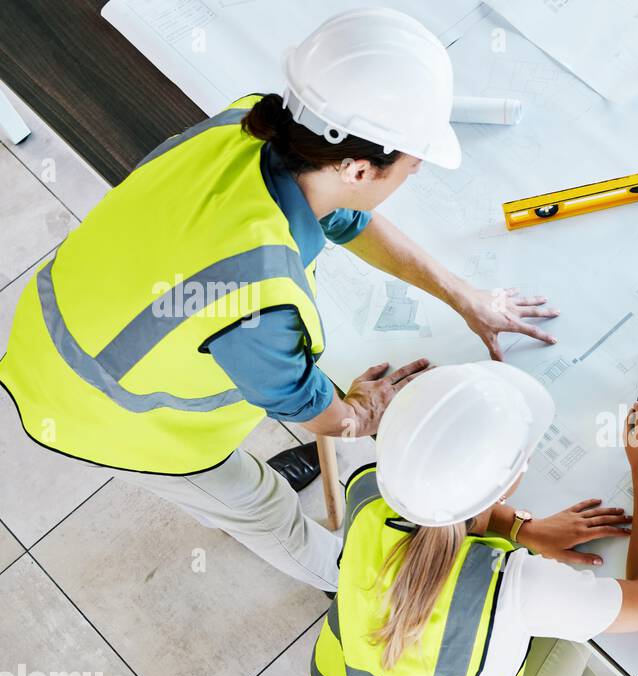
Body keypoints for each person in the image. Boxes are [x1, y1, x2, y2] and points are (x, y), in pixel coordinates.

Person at [0, 10, 558, 593]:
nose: (409, 177)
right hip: (100, 411)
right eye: (411, 168)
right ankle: (348, 584)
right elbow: (304, 406)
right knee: (262, 511)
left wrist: (463, 296)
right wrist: (362, 415)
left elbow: (347, 216)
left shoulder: (254, 125)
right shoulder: (253, 298)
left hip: (64, 317)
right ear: (361, 167)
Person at [308, 362, 638, 676]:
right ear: (510, 482)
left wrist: (520, 527)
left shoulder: (366, 494)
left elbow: (438, 512)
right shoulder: (515, 586)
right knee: (580, 641)